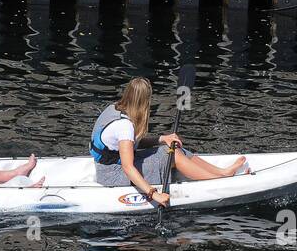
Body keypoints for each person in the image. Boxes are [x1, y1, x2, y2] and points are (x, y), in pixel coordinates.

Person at [89, 78, 246, 207]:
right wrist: (154, 194)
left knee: (171, 147)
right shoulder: (124, 126)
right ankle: (218, 182)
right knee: (169, 155)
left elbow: (133, 143)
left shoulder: (114, 108)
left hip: (115, 166)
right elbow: (128, 167)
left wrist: (163, 138)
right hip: (113, 175)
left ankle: (222, 173)